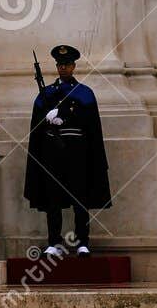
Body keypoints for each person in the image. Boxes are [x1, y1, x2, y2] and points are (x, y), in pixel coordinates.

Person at [24, 44, 110, 255]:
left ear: (73, 66)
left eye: (67, 64)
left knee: (80, 197)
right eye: (60, 64)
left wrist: (65, 114)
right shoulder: (46, 93)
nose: (63, 68)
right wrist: (47, 119)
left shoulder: (84, 93)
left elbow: (91, 125)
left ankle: (82, 242)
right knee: (52, 197)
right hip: (52, 151)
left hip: (78, 152)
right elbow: (37, 126)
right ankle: (54, 242)